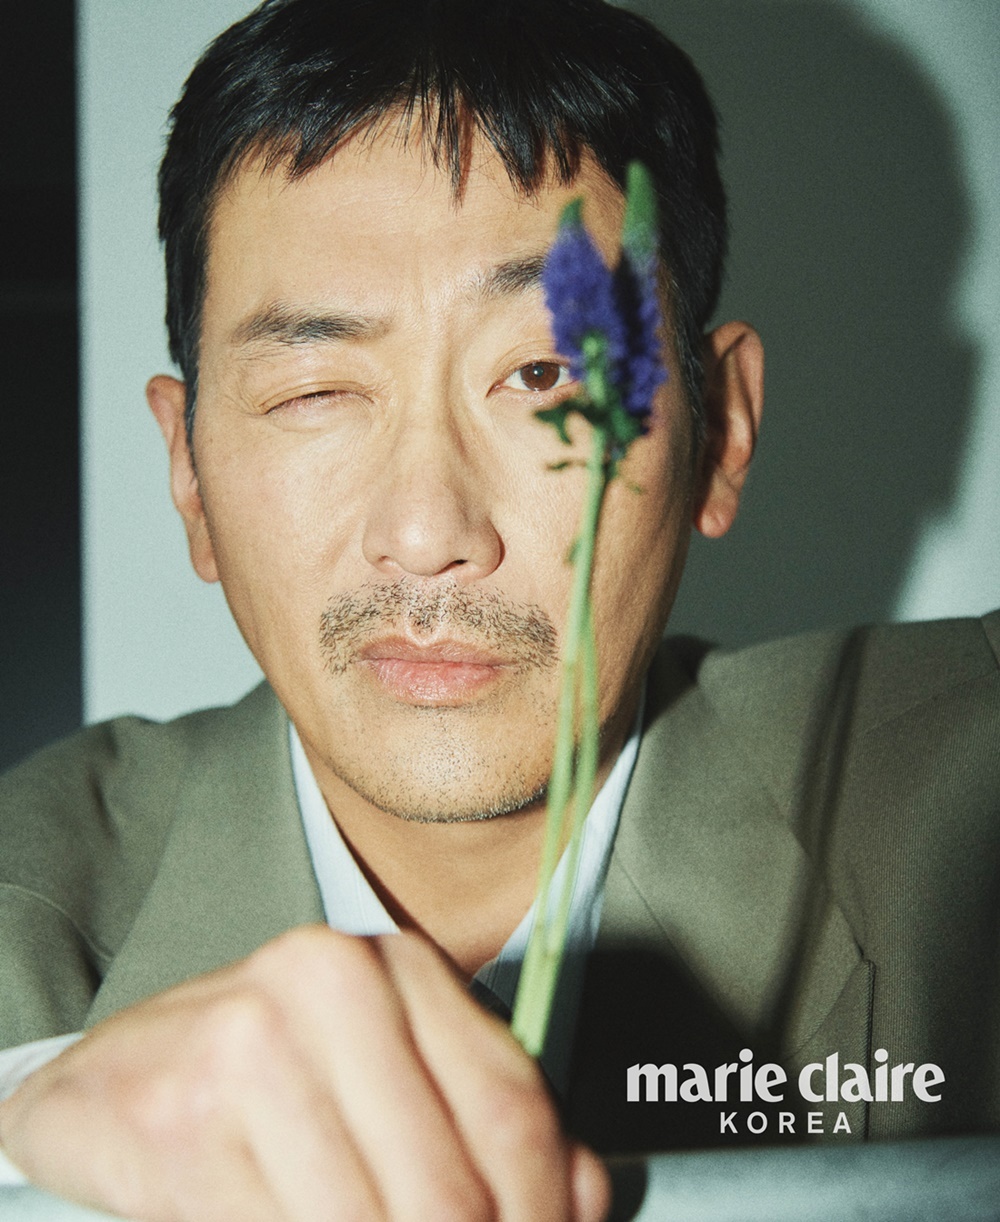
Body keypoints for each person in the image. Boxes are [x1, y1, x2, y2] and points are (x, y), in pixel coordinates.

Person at [1, 0, 998, 1218]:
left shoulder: (963, 810)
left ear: (720, 434)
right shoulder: (23, 910)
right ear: (188, 475)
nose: (428, 531)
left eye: (541, 374)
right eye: (315, 388)